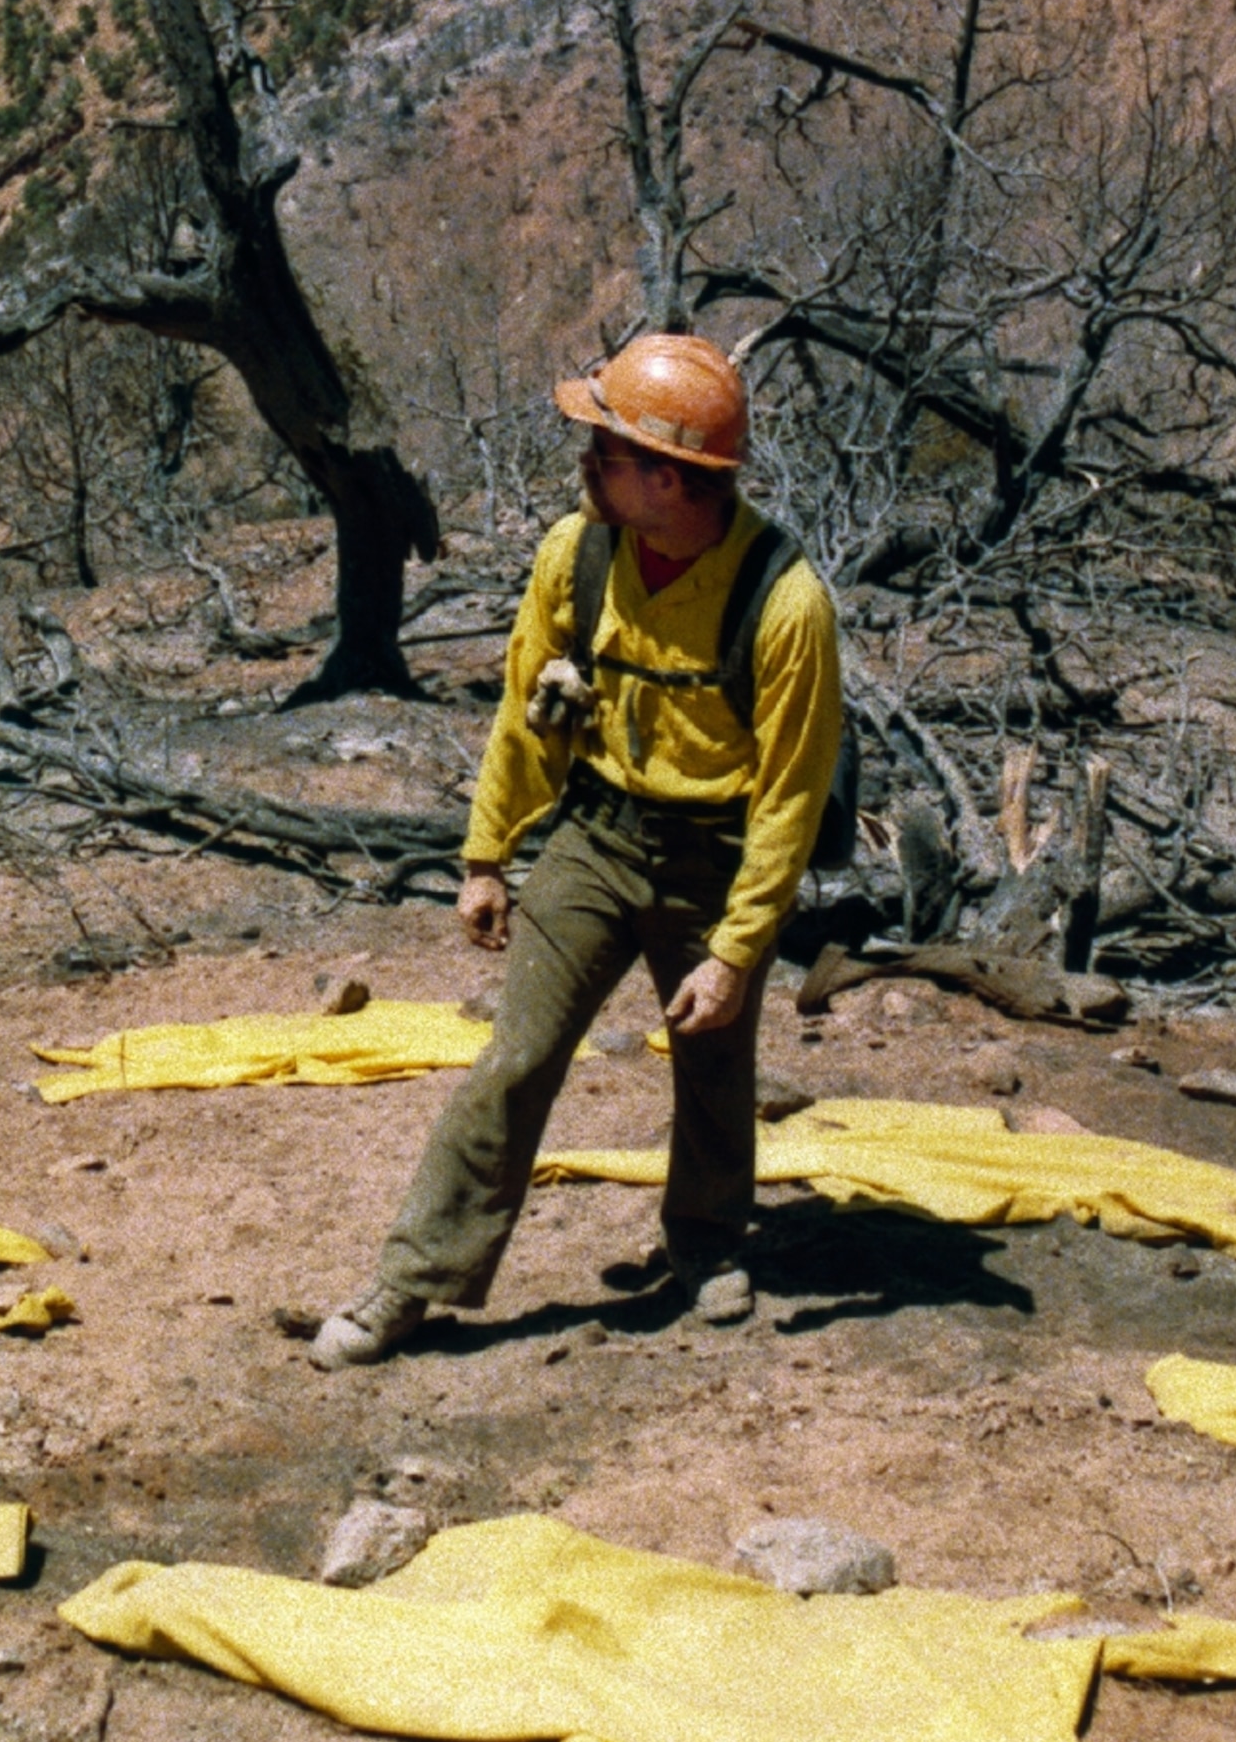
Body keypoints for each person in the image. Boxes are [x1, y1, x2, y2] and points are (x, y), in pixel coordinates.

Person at [310, 333, 842, 1370]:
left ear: (668, 477)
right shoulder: (578, 554)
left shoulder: (786, 605)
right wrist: (486, 857)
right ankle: (412, 1279)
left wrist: (737, 952)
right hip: (596, 838)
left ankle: (706, 1240)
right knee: (516, 1059)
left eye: (605, 450)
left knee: (715, 1063)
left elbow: (789, 797)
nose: (585, 464)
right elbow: (526, 711)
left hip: (717, 857)